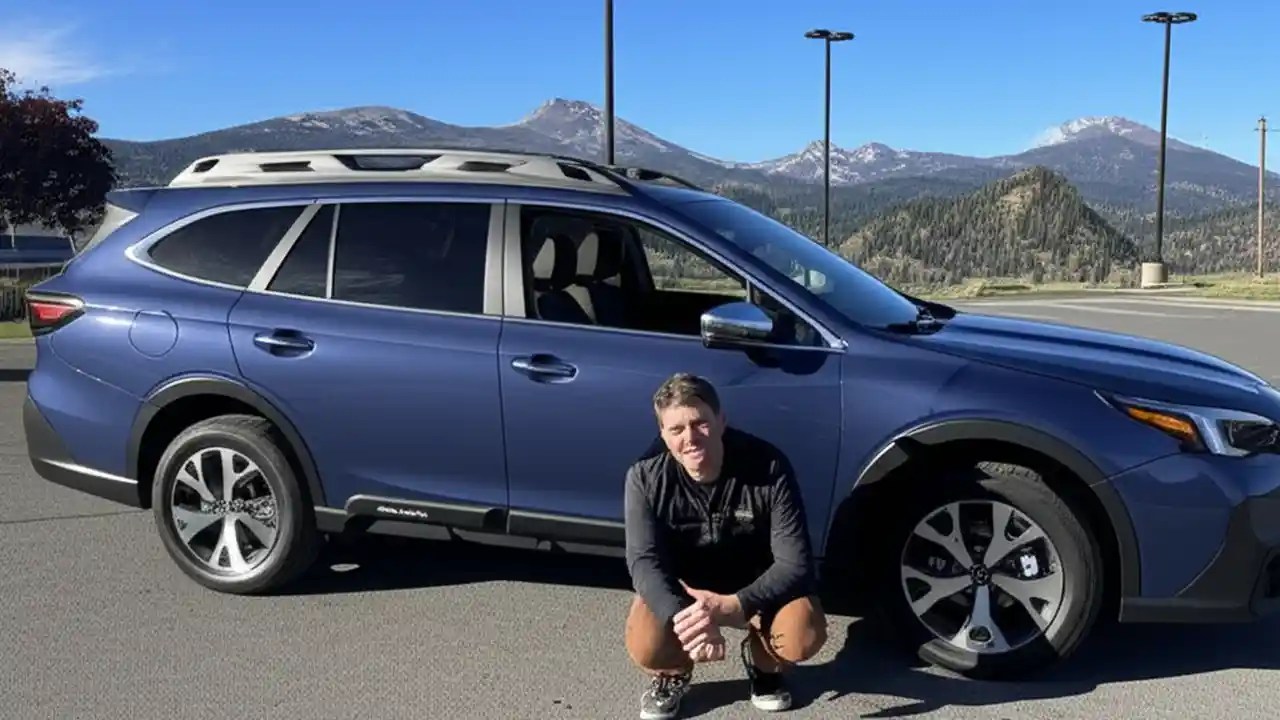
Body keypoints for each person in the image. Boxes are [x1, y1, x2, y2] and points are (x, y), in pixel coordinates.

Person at [622, 372, 828, 719]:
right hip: (684, 592)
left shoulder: (768, 466)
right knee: (647, 643)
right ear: (663, 434)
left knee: (802, 632)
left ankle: (766, 666)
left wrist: (736, 604)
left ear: (721, 420)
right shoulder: (645, 476)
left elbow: (795, 563)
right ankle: (673, 673)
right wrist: (688, 620)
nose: (690, 438)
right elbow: (643, 561)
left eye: (700, 423)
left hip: (757, 587)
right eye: (676, 430)